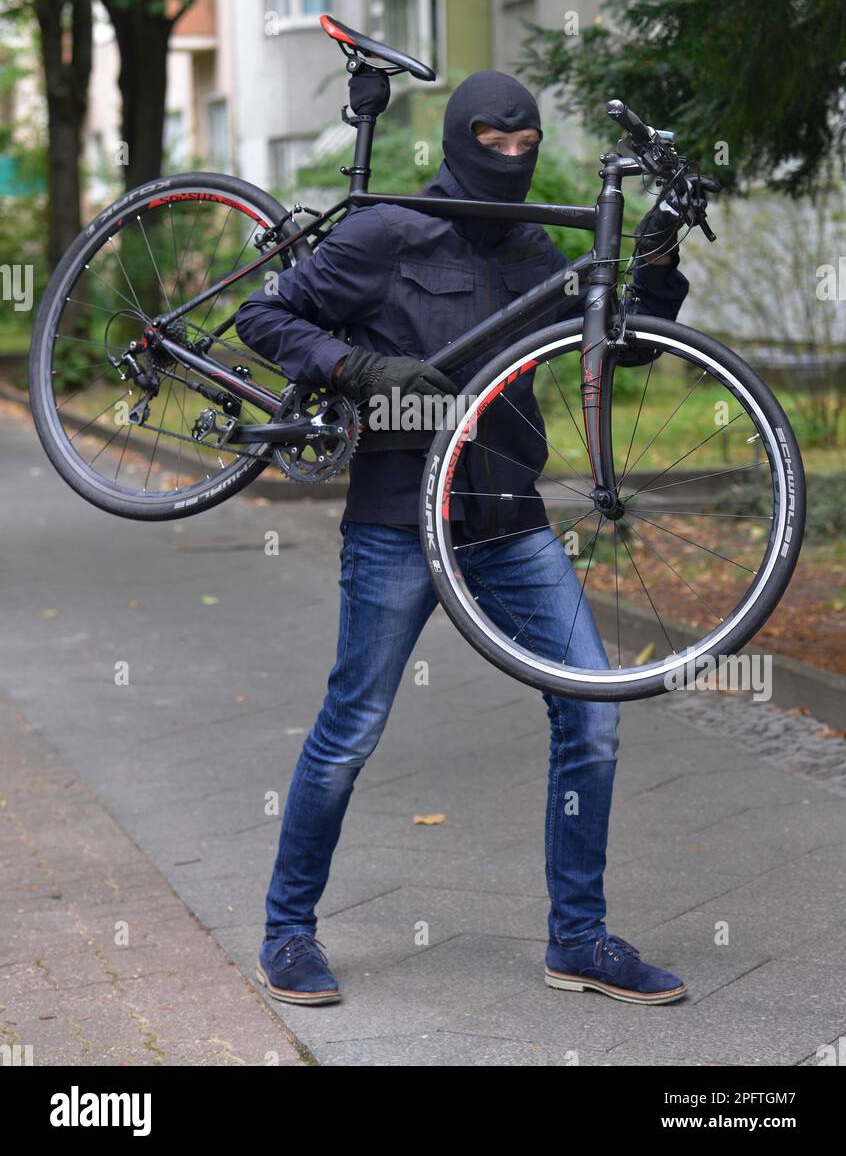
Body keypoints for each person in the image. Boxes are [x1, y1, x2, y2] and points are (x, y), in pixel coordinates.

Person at [235, 71, 690, 1007]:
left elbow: (626, 343)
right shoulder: (386, 231)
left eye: (526, 143)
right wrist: (355, 364)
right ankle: (287, 932)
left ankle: (579, 939)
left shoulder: (536, 251)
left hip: (507, 520)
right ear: (457, 137)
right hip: (400, 520)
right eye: (494, 138)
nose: (511, 156)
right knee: (350, 731)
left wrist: (659, 261)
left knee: (593, 718)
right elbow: (263, 316)